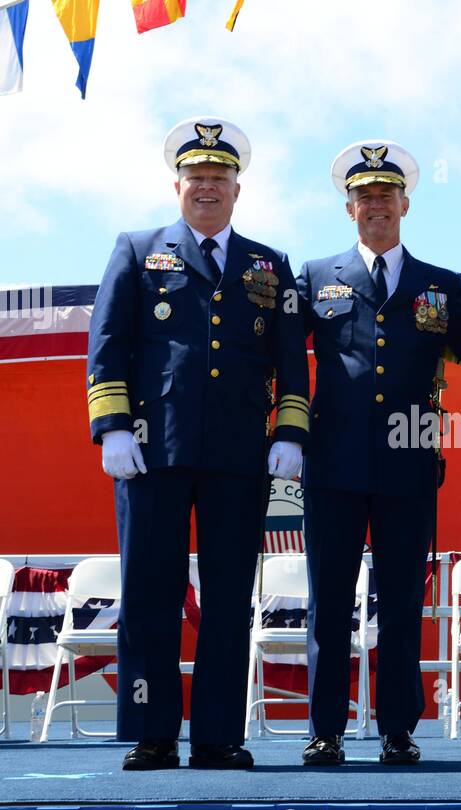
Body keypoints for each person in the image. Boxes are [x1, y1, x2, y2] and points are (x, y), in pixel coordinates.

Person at [87, 117, 309, 771]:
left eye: (219, 178)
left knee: (228, 597)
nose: (207, 188)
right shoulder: (135, 248)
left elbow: (291, 360)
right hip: (151, 452)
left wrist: (290, 430)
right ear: (177, 184)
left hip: (240, 457)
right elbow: (107, 346)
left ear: (238, 189)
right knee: (149, 594)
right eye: (197, 178)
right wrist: (113, 426)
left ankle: (217, 734)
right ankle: (151, 732)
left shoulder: (270, 264)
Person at [295, 141, 461, 766]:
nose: (376, 205)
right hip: (333, 466)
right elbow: (272, 357)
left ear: (406, 203)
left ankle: (399, 730)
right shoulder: (316, 277)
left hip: (408, 465)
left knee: (404, 602)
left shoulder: (440, 285)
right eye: (364, 196)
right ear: (349, 208)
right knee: (329, 605)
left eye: (386, 194)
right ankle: (325, 730)